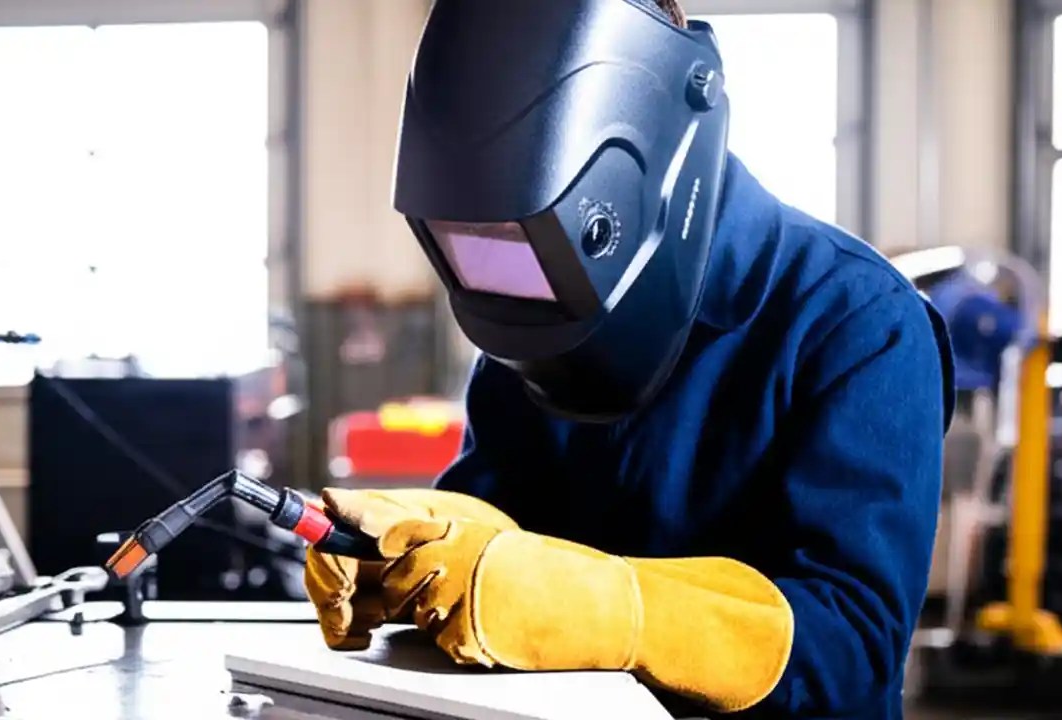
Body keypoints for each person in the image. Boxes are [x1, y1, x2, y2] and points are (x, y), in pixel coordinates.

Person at [303, 0, 955, 717]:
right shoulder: (535, 307)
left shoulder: (856, 322)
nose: (514, 280)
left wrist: (623, 612)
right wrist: (415, 547)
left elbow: (852, 653)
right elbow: (500, 522)